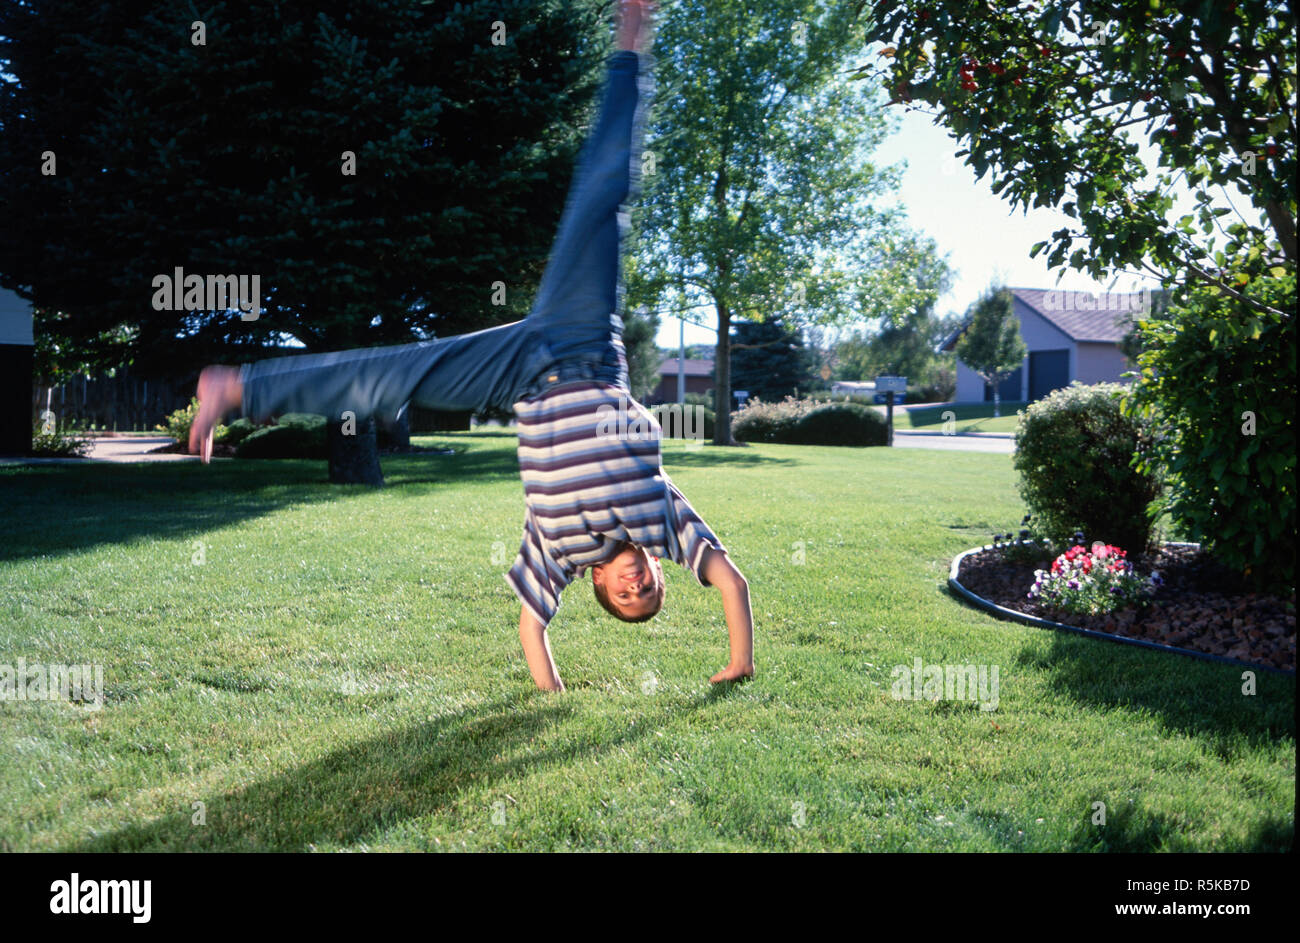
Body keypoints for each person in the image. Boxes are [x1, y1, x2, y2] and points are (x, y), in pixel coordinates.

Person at [188, 0, 754, 692]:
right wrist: (739, 658)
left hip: (517, 379)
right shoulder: (664, 518)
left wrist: (551, 690)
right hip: (582, 342)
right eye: (651, 589)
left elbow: (531, 626)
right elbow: (730, 577)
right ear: (661, 569)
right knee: (604, 198)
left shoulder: (560, 554)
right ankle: (632, 37)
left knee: (394, 376)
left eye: (627, 596)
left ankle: (239, 387)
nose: (638, 584)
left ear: (600, 585)